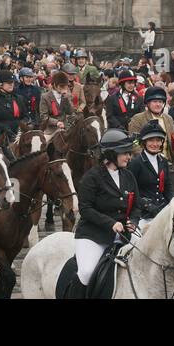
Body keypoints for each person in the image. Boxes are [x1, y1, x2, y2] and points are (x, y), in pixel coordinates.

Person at [66, 128, 137, 299]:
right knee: (86, 271)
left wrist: (133, 221)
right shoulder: (92, 177)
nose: (129, 157)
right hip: (93, 235)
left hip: (123, 234)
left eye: (129, 153)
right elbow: (85, 209)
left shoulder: (128, 176)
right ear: (112, 154)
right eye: (125, 153)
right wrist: (110, 223)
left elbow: (136, 205)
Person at [127, 121, 171, 227]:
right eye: (151, 140)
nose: (155, 144)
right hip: (143, 214)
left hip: (163, 211)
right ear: (144, 142)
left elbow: (168, 188)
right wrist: (147, 205)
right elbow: (130, 191)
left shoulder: (163, 161)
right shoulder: (136, 163)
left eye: (158, 140)